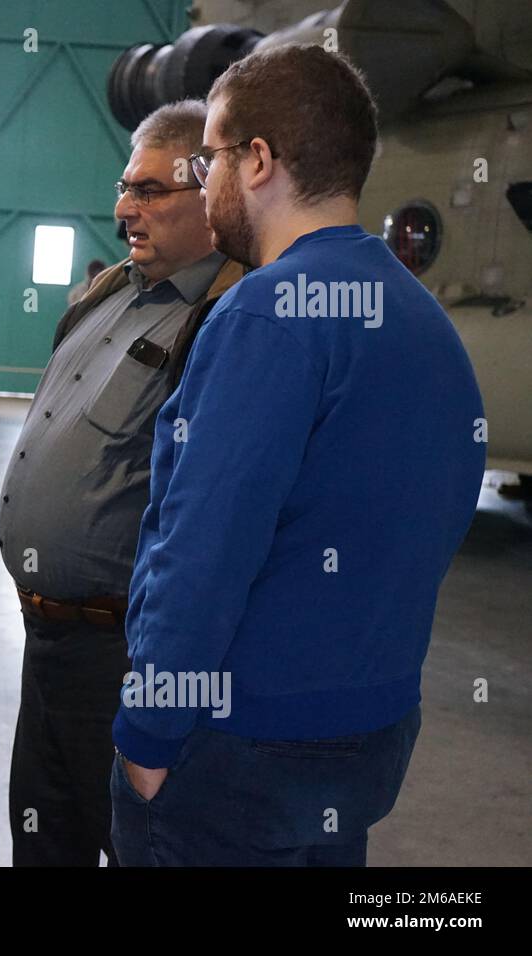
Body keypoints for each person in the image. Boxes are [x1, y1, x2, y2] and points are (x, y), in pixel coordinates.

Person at [110, 44, 486, 866]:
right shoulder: (423, 321)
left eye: (209, 157)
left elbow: (203, 548)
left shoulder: (264, 314)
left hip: (236, 753)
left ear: (257, 161)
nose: (203, 181)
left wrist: (148, 737)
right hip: (364, 740)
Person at [0, 99, 243, 867]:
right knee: (43, 844)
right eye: (123, 186)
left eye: (147, 191)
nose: (123, 208)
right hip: (46, 644)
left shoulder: (224, 319)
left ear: (210, 195)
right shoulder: (108, 295)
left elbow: (211, 523)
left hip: (121, 658)